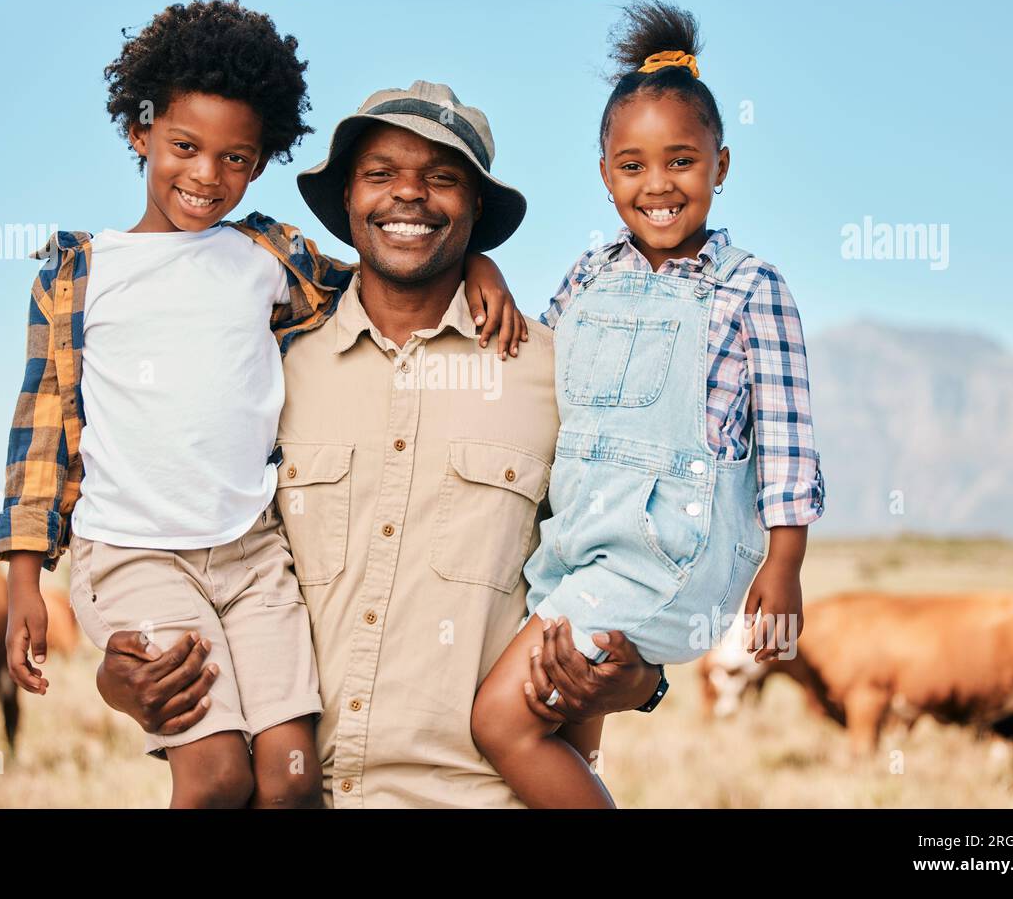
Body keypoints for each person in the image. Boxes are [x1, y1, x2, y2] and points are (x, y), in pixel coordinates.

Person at [0, 2, 520, 809]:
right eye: (184, 148)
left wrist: (477, 264)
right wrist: (24, 578)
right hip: (134, 553)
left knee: (289, 777)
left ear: (263, 158)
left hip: (249, 554)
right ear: (139, 134)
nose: (207, 176)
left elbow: (392, 267)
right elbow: (40, 432)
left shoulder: (264, 257)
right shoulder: (80, 276)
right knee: (214, 778)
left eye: (236, 157)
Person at [94, 80, 671, 807]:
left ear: (478, 209)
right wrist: (117, 677)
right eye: (380, 175)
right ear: (346, 201)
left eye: (442, 178)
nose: (410, 196)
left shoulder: (556, 378)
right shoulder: (266, 369)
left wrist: (642, 681)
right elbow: (171, 529)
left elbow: (625, 563)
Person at [471, 0, 827, 808]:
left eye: (681, 162)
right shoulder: (588, 276)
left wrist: (785, 562)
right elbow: (533, 361)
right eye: (632, 166)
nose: (657, 186)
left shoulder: (752, 288)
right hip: (581, 538)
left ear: (721, 166)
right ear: (604, 174)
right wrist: (481, 271)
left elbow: (790, 433)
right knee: (566, 730)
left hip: (668, 556)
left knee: (502, 722)